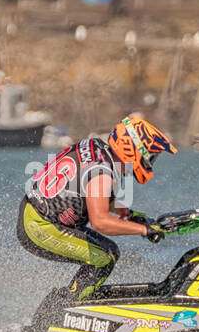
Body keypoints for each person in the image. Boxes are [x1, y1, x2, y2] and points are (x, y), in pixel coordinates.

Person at [18, 115, 178, 300]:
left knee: (108, 250)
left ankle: (69, 299)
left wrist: (130, 215)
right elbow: (100, 222)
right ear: (132, 149)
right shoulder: (103, 172)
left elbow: (98, 198)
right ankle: (63, 312)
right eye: (150, 156)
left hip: (33, 213)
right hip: (39, 226)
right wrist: (143, 230)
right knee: (103, 257)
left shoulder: (98, 149)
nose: (150, 163)